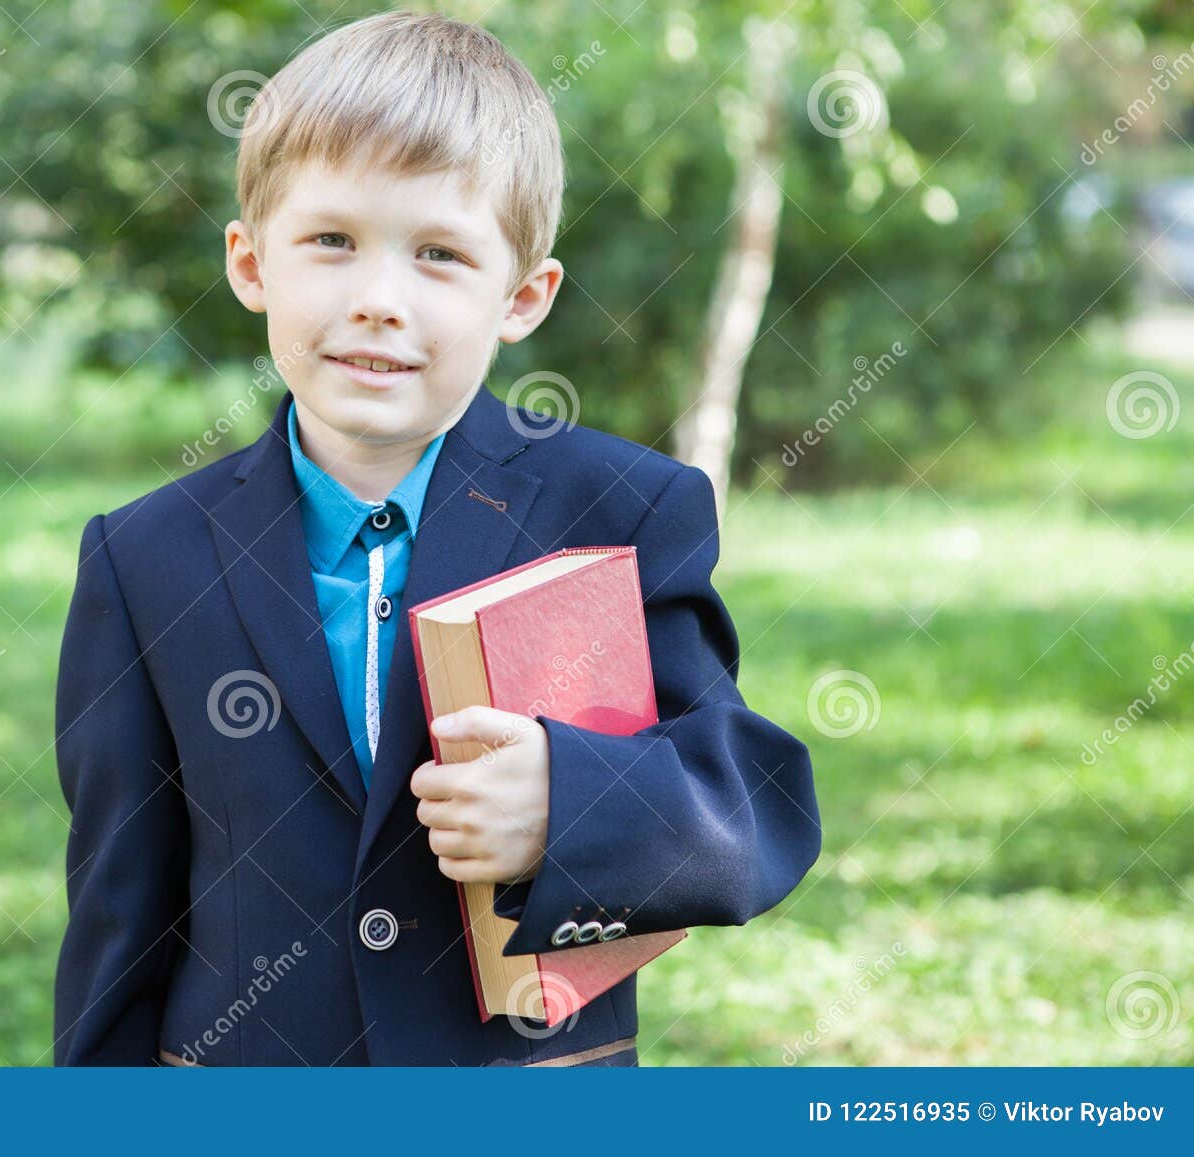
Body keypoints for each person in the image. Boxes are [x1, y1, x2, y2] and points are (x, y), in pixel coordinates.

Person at [53, 9, 820, 1067]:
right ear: (248, 262)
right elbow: (118, 915)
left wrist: (568, 800)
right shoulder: (145, 559)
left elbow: (749, 803)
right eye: (330, 240)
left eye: (439, 254)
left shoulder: (620, 508)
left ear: (522, 296)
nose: (377, 300)